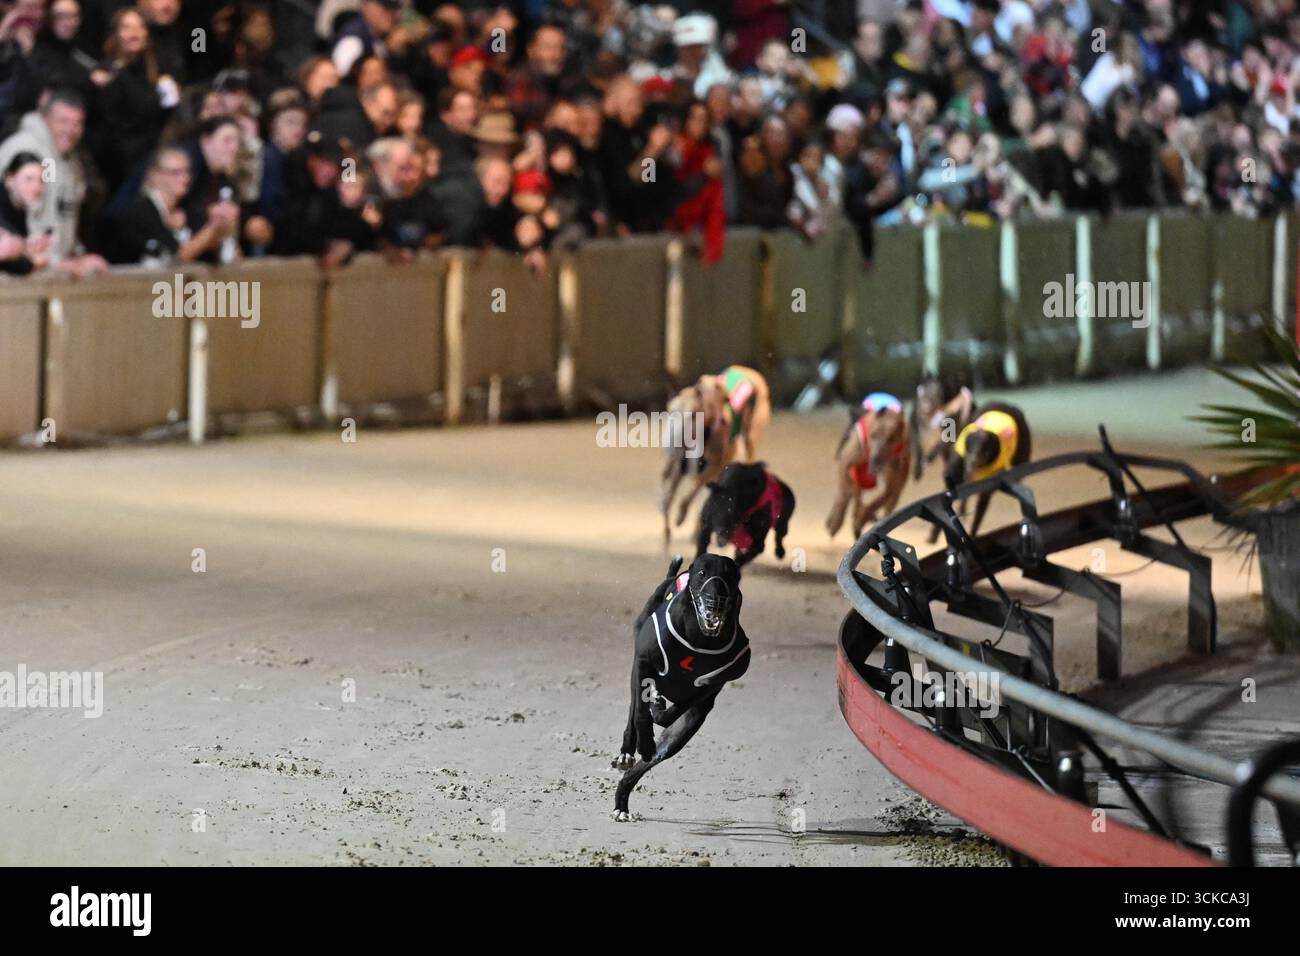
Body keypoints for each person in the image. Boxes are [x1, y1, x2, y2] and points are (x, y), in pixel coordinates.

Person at [0, 86, 108, 275]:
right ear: (46, 118)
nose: (70, 130)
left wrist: (75, 256)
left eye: (77, 123)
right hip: (25, 269)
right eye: (63, 121)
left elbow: (66, 210)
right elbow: (33, 215)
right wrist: (53, 262)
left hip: (52, 266)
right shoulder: (30, 152)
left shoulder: (69, 157)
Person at [103, 145, 238, 264]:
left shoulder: (186, 210)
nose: (185, 178)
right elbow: (175, 257)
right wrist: (213, 227)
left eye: (187, 172)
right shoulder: (141, 210)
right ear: (156, 175)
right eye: (176, 172)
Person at [0, 151, 51, 274]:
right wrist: (28, 257)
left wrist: (26, 248)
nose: (37, 187)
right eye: (29, 179)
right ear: (9, 179)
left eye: (41, 181)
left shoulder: (18, 208)